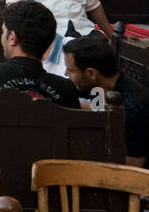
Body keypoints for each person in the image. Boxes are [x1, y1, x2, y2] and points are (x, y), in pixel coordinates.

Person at [62, 35, 148, 167]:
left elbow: (133, 166)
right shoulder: (99, 85)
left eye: (71, 70)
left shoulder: (135, 107)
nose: (66, 73)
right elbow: (99, 109)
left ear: (91, 73)